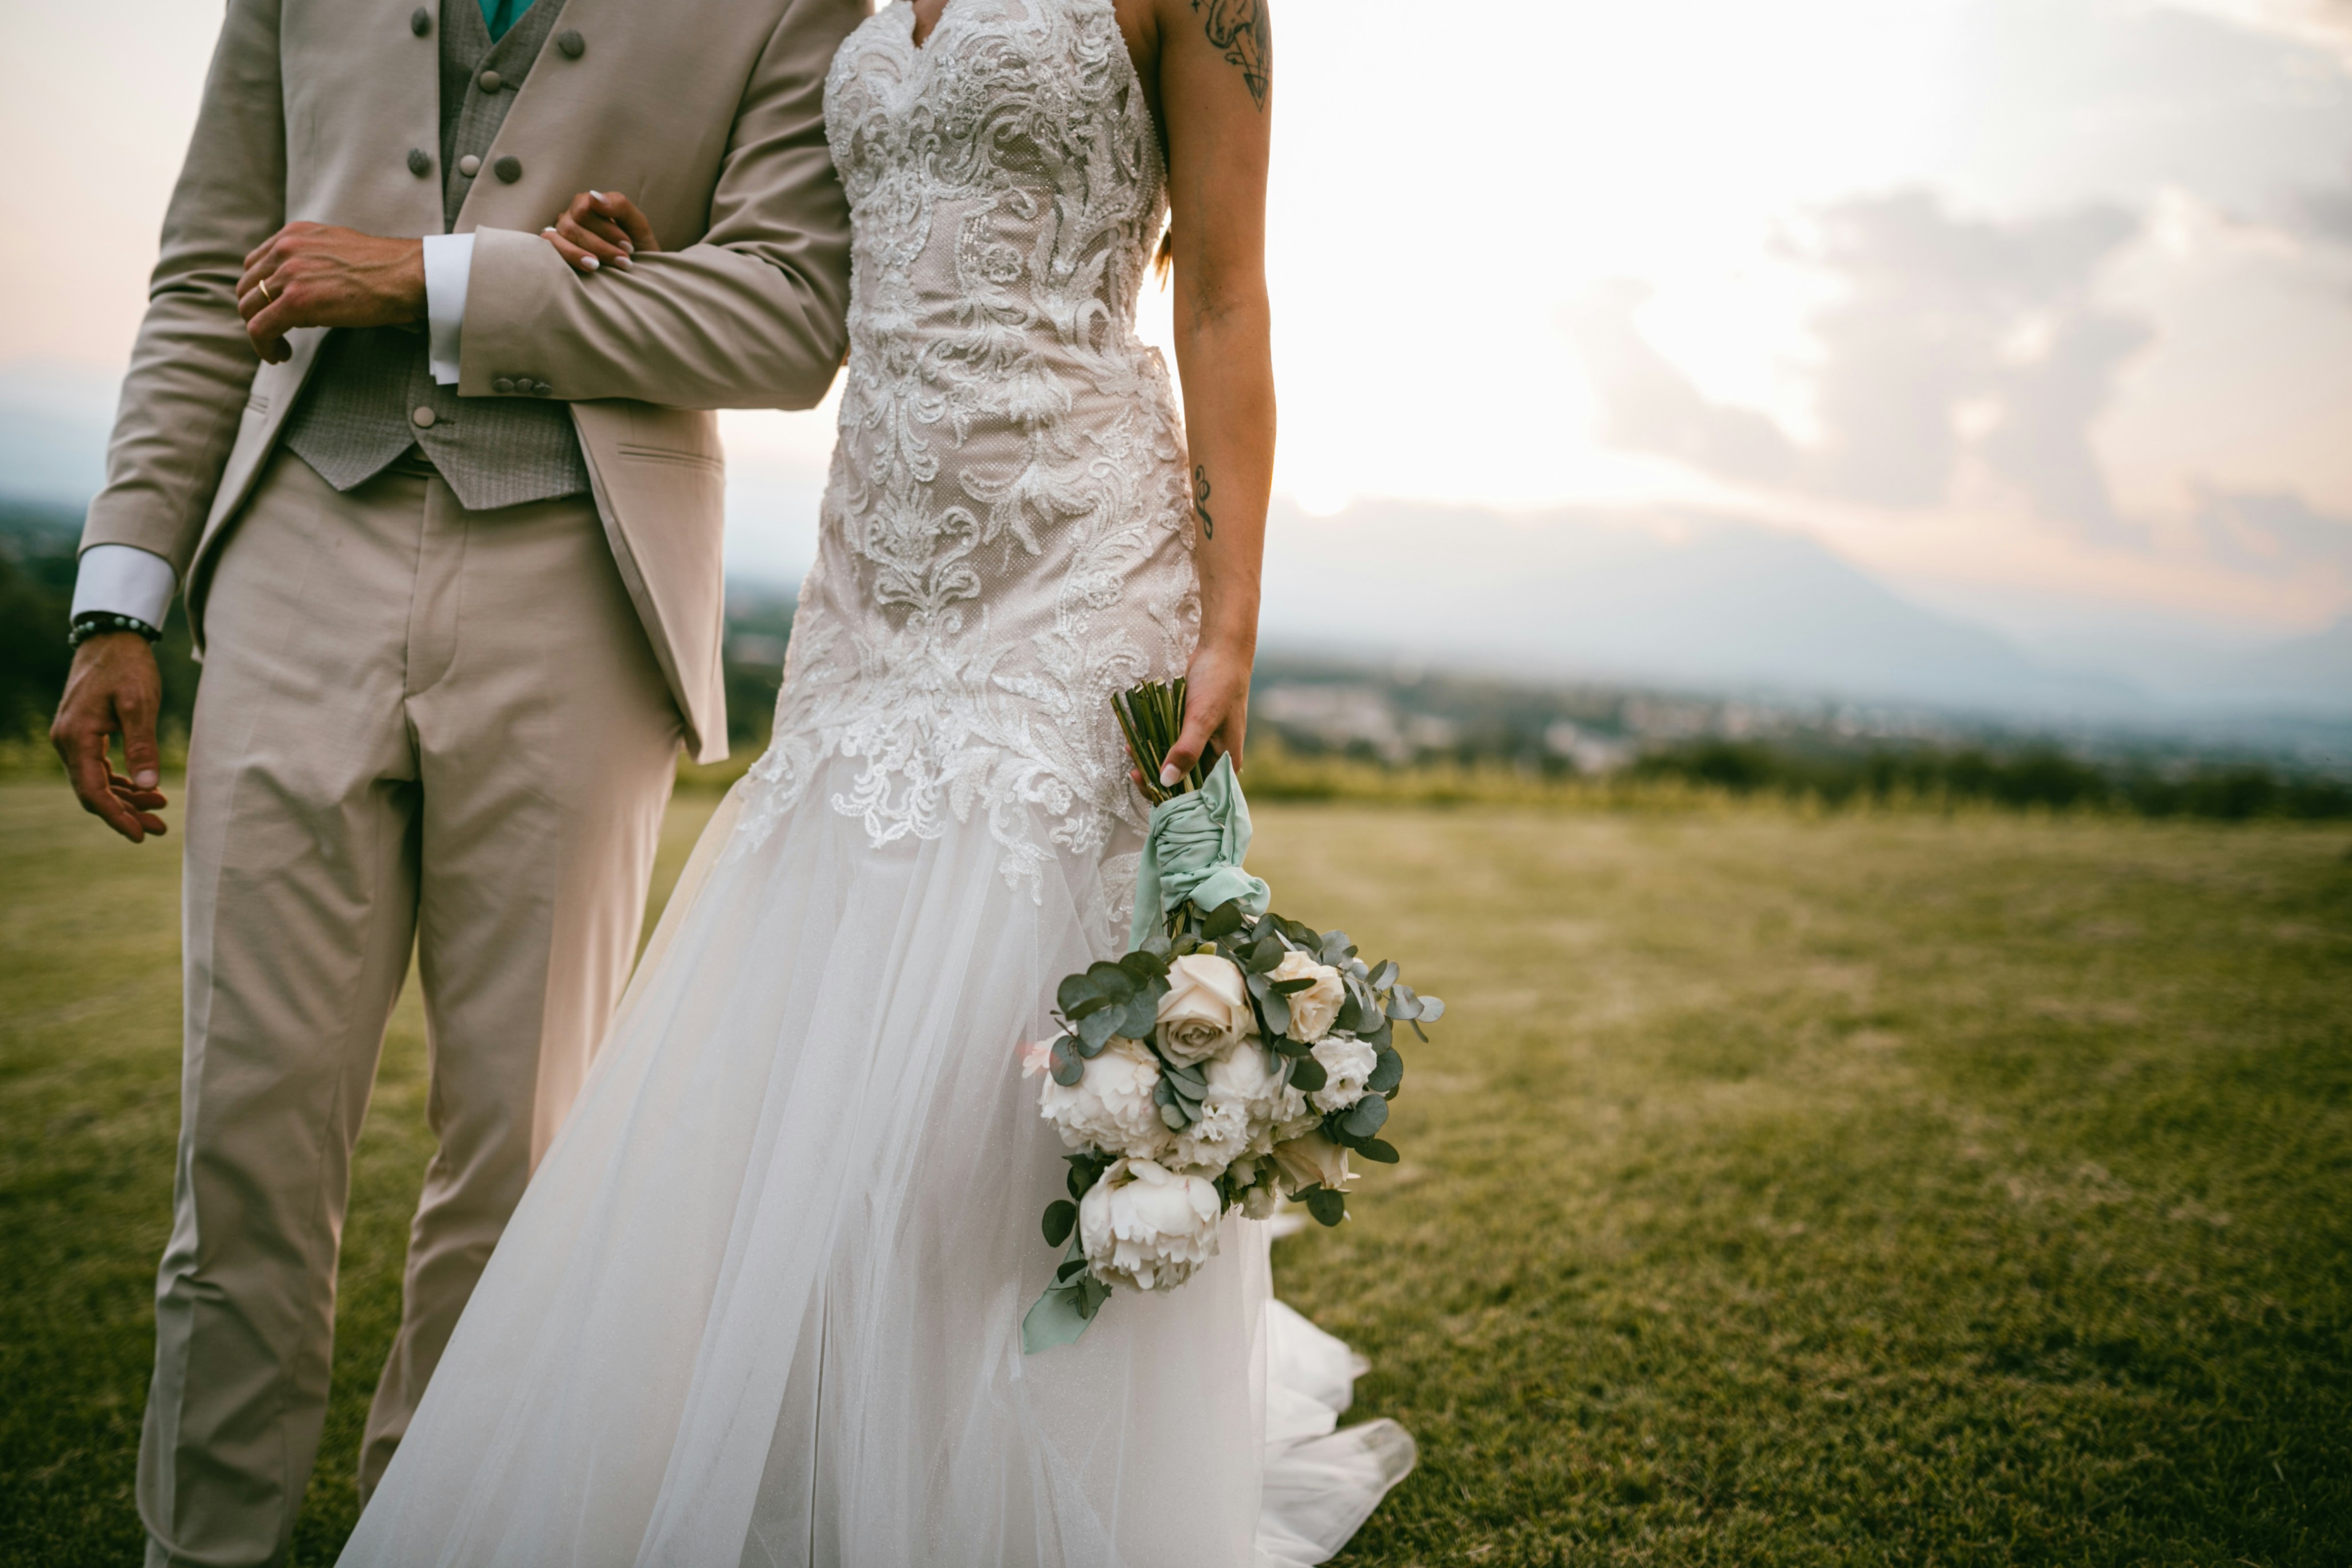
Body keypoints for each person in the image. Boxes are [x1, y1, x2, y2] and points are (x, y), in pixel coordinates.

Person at [338, 0, 1414, 1562]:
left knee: (1005, 1054)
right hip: (876, 565)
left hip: (1079, 552)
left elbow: (1229, 296)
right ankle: (818, 1451)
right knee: (817, 1037)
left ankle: (1009, 1476)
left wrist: (1231, 614)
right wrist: (652, 250)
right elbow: (818, 264)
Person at [46, 1, 869, 1562]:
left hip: (584, 579)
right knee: (243, 1149)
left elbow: (783, 319)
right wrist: (120, 594)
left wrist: (432, 279)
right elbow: (199, 270)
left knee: (520, 1172)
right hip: (296, 550)